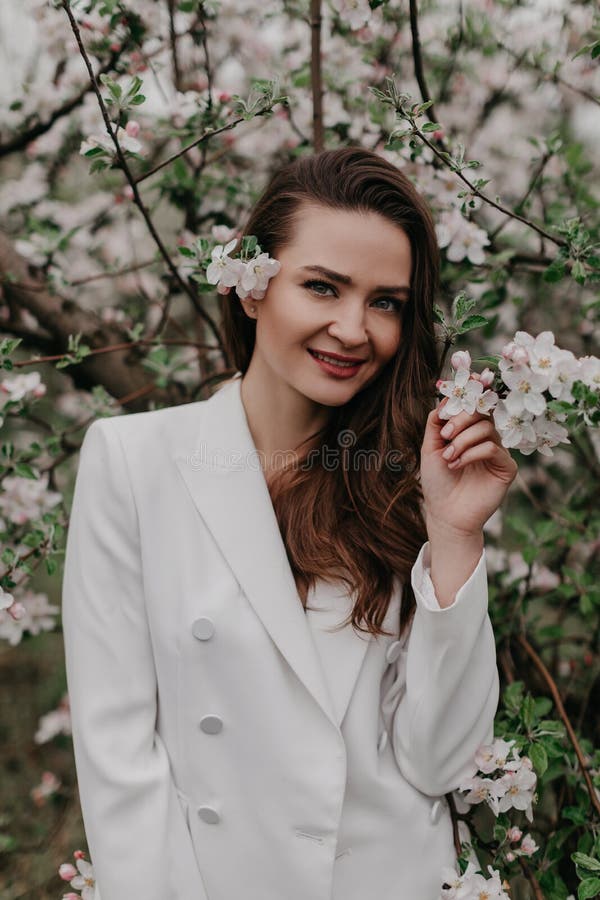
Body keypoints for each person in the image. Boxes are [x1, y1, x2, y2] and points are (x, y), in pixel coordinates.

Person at [61, 146, 518, 900]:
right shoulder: (133, 461)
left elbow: (439, 762)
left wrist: (456, 535)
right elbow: (118, 760)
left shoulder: (411, 476)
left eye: (385, 302)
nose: (352, 328)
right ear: (251, 288)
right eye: (322, 287)